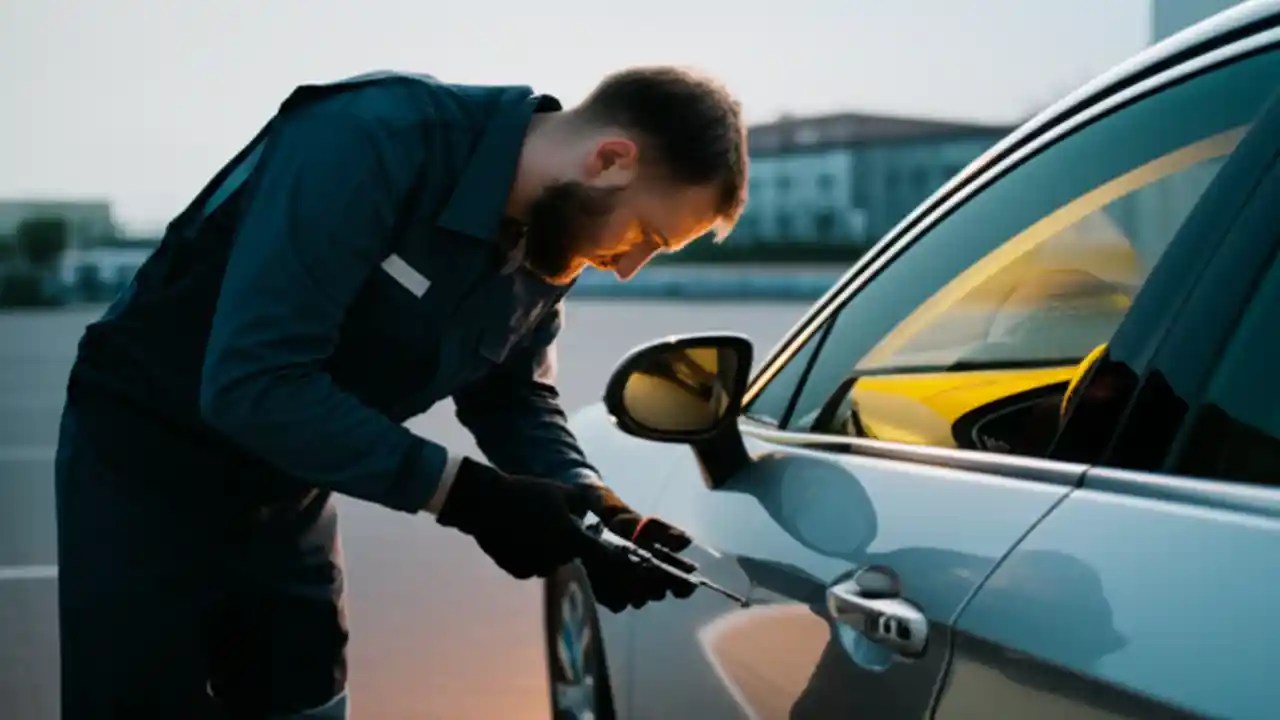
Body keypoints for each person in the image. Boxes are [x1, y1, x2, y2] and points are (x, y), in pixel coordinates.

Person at [53, 66, 748, 719]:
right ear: (610, 159)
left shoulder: (555, 230)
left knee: (306, 701)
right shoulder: (369, 140)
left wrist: (595, 507)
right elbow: (252, 384)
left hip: (291, 486)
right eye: (646, 235)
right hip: (145, 466)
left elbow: (512, 396)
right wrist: (469, 497)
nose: (628, 267)